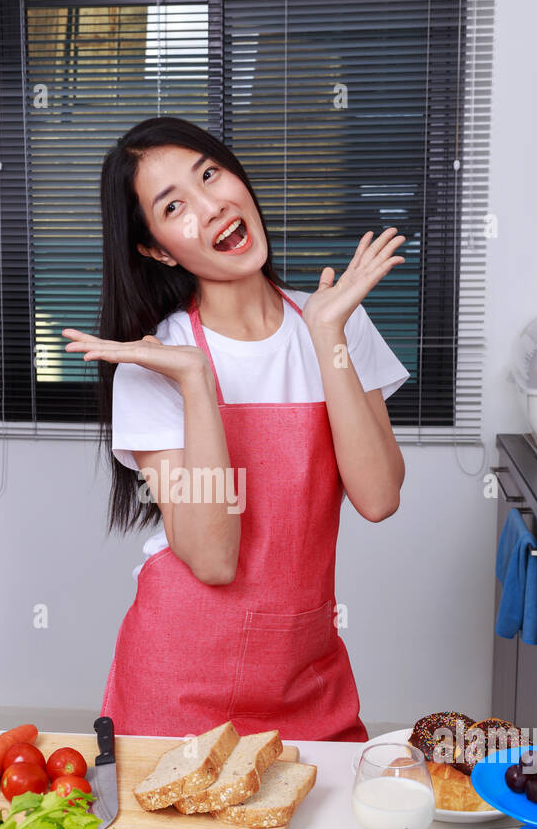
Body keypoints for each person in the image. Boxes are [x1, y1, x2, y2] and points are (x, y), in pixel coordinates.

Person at [63, 117, 409, 741]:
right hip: (181, 687)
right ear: (159, 248)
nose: (210, 205)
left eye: (210, 174)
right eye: (175, 206)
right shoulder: (157, 362)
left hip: (305, 675)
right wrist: (197, 383)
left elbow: (379, 497)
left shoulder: (337, 322)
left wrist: (328, 338)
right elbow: (214, 558)